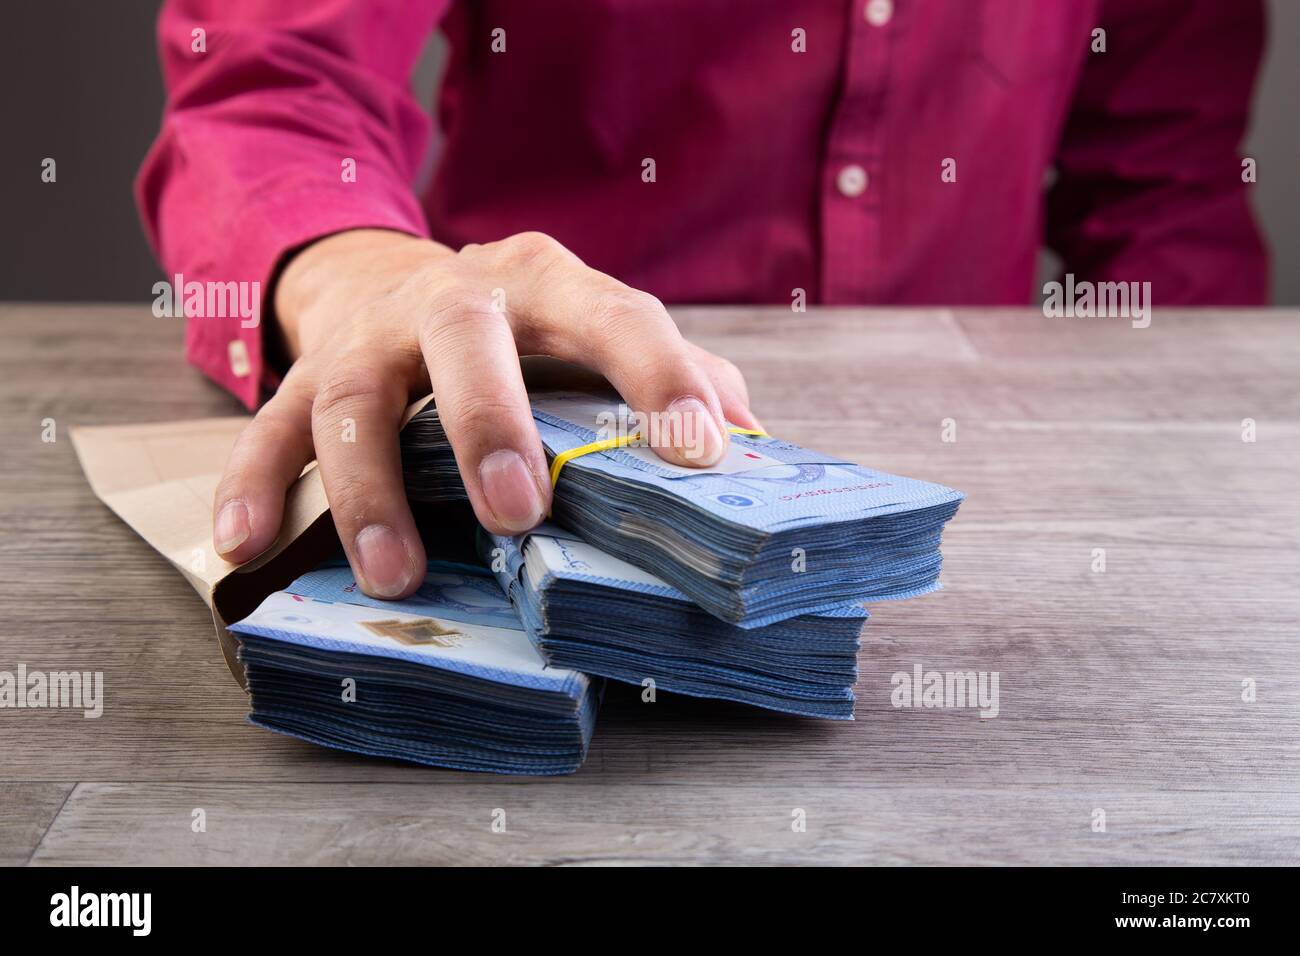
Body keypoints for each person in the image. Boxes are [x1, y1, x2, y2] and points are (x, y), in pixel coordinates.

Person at [137, 0, 1268, 601]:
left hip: (992, 501)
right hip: (513, 405)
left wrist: (1195, 488)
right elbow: (273, 84)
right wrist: (372, 282)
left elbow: (1167, 192)